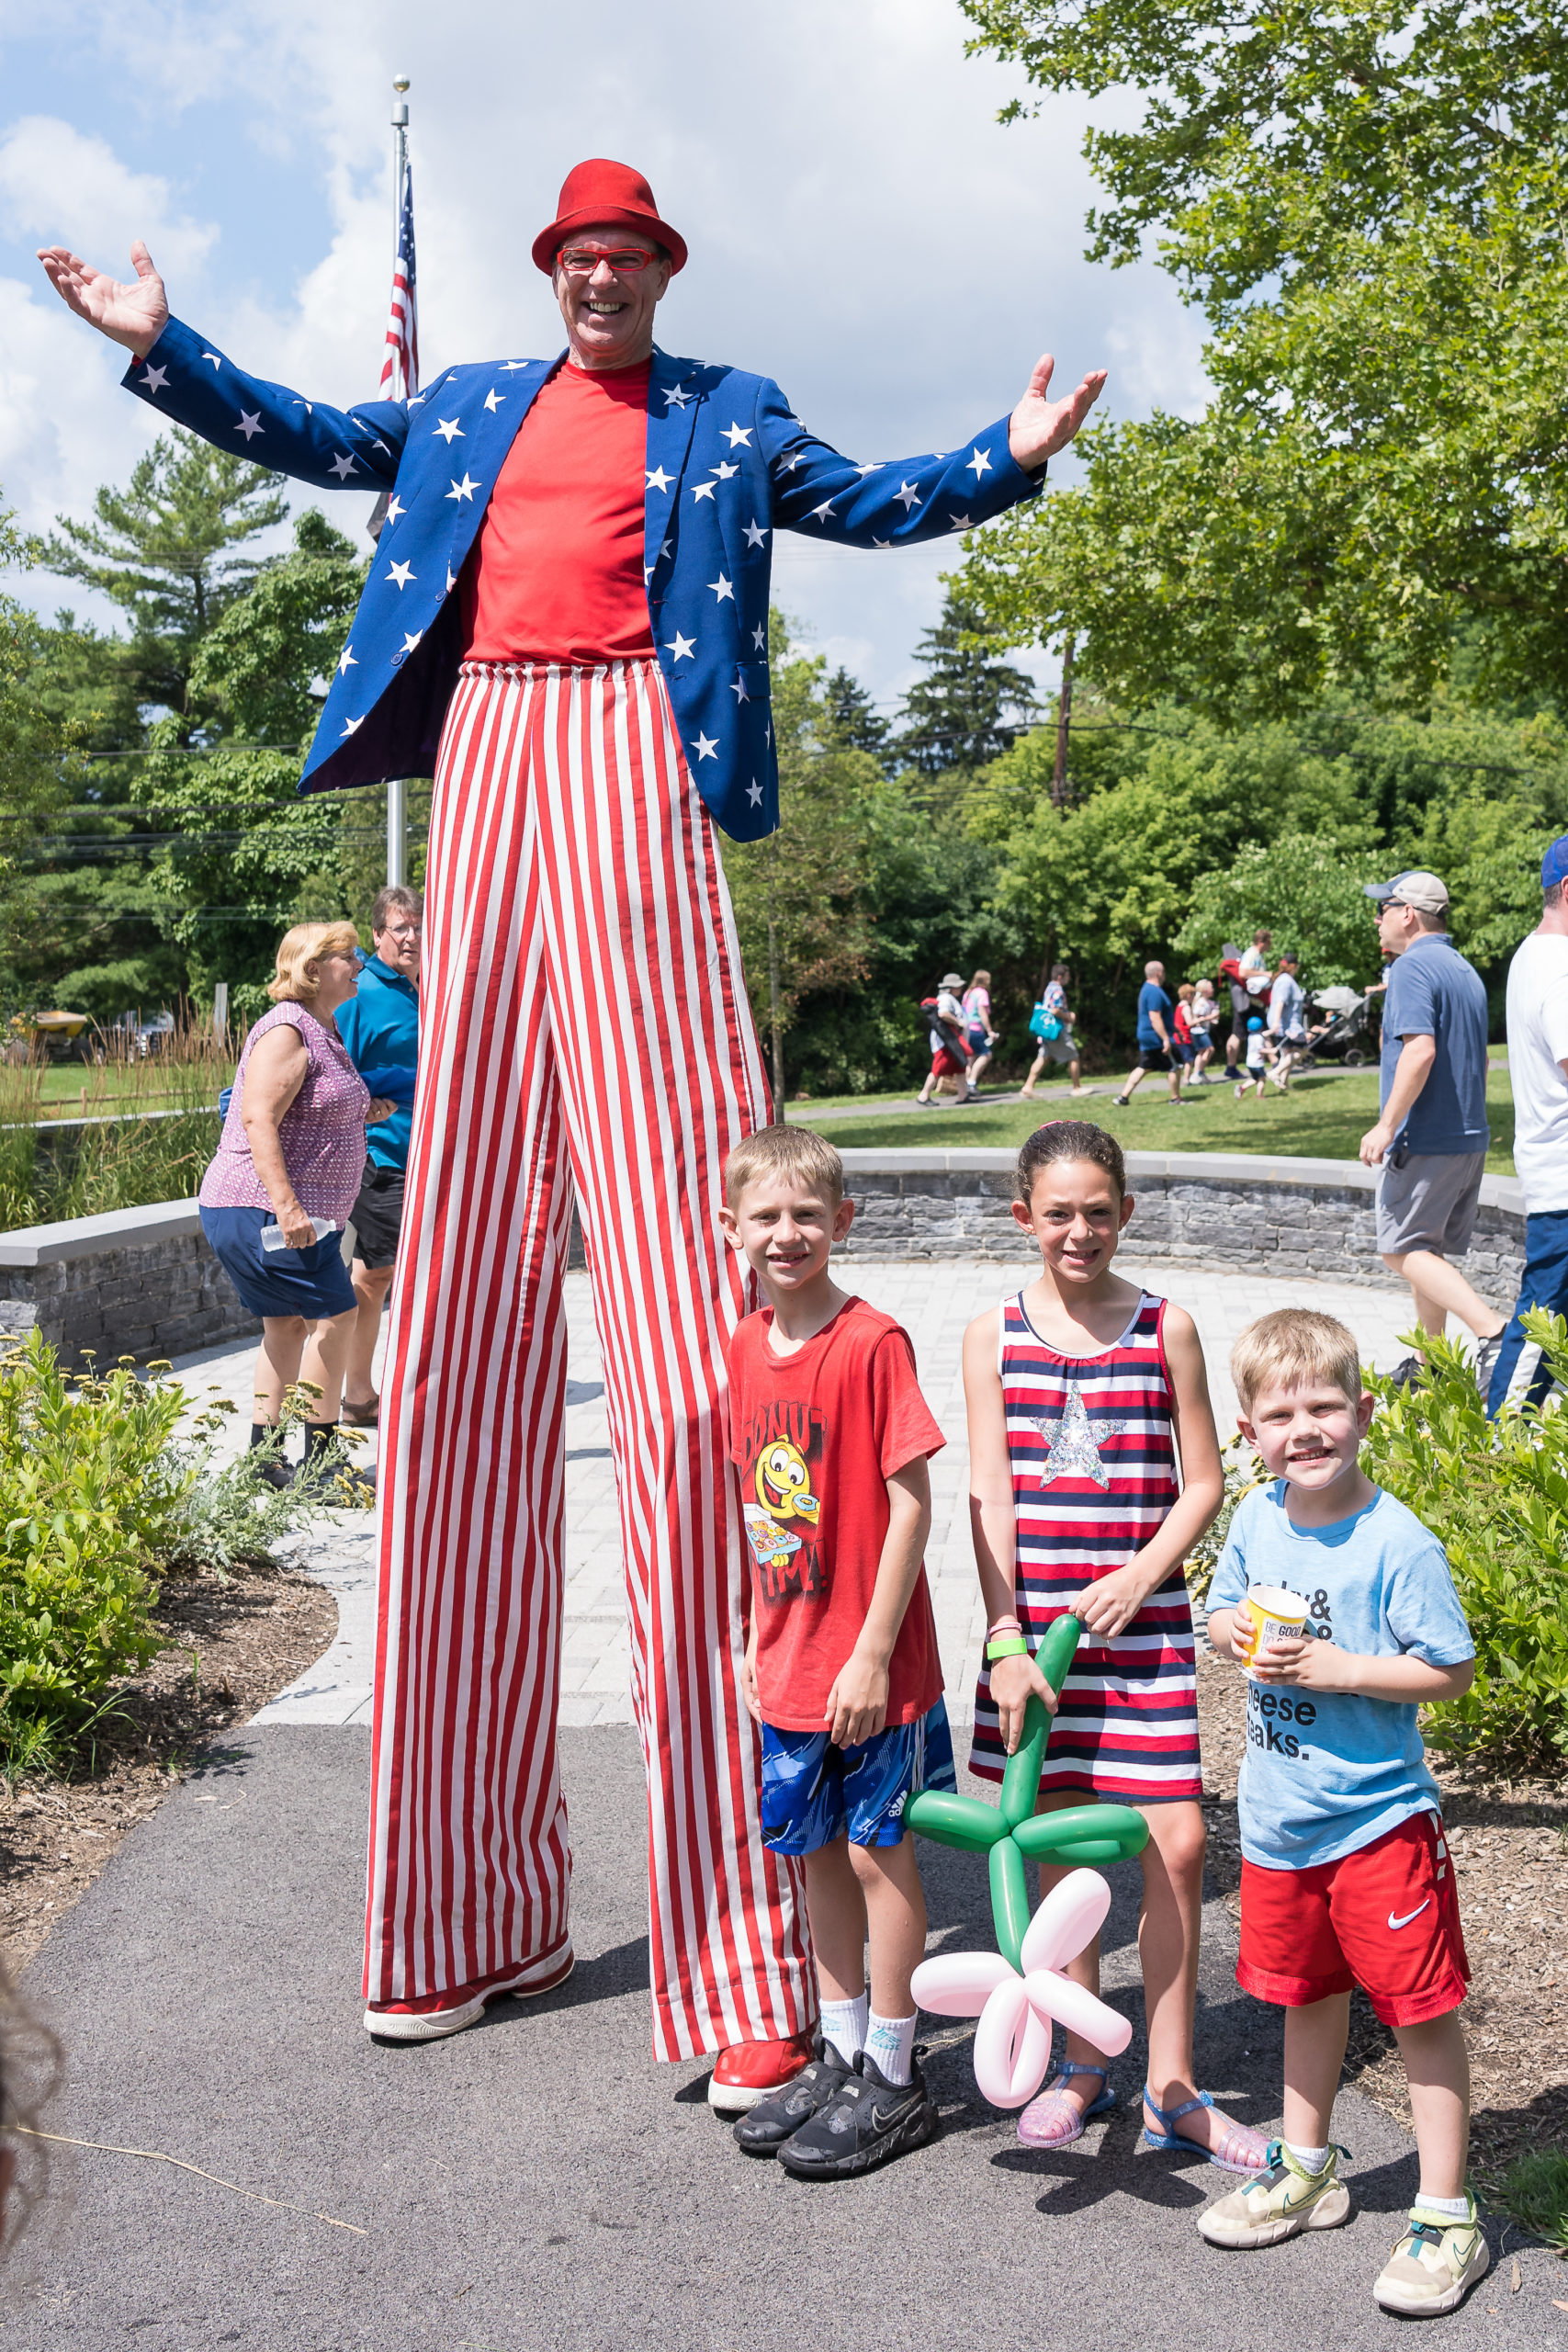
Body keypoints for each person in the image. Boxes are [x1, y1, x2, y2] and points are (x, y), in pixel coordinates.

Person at [39, 163, 1108, 2069]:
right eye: (576, 259)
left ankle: (738, 1954)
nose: (600, 278)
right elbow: (310, 431)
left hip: (635, 756)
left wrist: (1000, 459)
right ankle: (466, 1914)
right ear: (552, 277)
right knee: (452, 1324)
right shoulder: (466, 407)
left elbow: (865, 502)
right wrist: (166, 351)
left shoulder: (723, 410)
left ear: (659, 275)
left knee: (714, 1322)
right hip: (487, 769)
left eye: (626, 257)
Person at [963, 1120, 1267, 2171]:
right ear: (1024, 1217)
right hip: (1035, 1647)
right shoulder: (992, 1334)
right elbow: (990, 1494)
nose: (1079, 1230)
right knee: (1066, 1852)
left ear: (1126, 1211)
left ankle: (1172, 2085)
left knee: (1176, 1847)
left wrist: (1145, 1573)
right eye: (1059, 1213)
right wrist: (1003, 1636)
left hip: (1140, 1640)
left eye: (1099, 1210)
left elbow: (1203, 1482)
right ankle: (1083, 2062)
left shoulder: (1164, 1327)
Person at [1201, 1309, 1483, 2318]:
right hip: (1280, 1822)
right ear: (1249, 1432)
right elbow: (1224, 1607)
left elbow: (1448, 1668)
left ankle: (1448, 2211)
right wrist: (1238, 1632)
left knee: (1419, 2012)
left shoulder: (1396, 1541)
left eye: (1324, 1405)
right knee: (1302, 1990)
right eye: (1280, 1413)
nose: (1304, 1428)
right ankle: (1306, 2163)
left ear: (1365, 1412)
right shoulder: (1255, 1520)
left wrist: (1343, 1668)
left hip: (1378, 1825)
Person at [719, 1126, 950, 2171]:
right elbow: (752, 1508)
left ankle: (896, 2075)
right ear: (733, 1231)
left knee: (875, 1850)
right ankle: (842, 2045)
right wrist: (745, 1631)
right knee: (812, 1850)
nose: (786, 1232)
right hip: (788, 1658)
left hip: (874, 1668)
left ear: (841, 1223)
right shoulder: (739, 1347)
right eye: (764, 1215)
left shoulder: (872, 1343)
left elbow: (912, 1508)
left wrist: (869, 1651)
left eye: (806, 1214)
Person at [197, 923, 396, 1488]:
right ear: (314, 966)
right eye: (348, 955)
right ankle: (319, 1465)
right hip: (263, 1209)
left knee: (284, 1326)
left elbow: (311, 1106)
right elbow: (257, 1117)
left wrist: (362, 1112)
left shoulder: (322, 1028)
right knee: (337, 1316)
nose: (359, 962)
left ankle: (263, 1465)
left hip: (268, 1210)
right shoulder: (287, 1029)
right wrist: (286, 1207)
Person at [1357, 873, 1506, 1391]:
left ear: (1409, 914)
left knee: (1399, 1250)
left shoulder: (1412, 967)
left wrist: (1386, 1125)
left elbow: (1419, 1051)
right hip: (1468, 1136)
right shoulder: (1464, 969)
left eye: (1384, 908)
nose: (1378, 918)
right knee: (1425, 1249)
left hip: (1426, 1139)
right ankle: (1430, 1363)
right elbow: (1482, 1060)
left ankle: (1493, 1335)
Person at [335, 886, 423, 1427]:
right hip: (382, 1158)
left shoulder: (434, 986)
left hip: (432, 1156)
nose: (412, 937)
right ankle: (366, 1392)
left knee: (377, 1276)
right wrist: (365, 1104)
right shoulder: (359, 994)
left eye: (418, 926)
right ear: (377, 936)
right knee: (392, 1276)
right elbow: (328, 1068)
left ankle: (359, 1395)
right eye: (401, 928)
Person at [1488, 835, 1568, 1413]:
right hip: (1565, 1181)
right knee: (1542, 1324)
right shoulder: (1561, 971)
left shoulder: (1532, 954)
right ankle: (1494, 1448)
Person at [1112, 959, 1183, 1108]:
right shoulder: (1154, 991)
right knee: (1175, 1065)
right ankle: (1175, 1098)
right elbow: (1155, 1017)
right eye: (1163, 972)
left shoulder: (1147, 989)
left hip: (1147, 1035)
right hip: (1155, 1036)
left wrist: (1174, 1029)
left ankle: (1123, 1097)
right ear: (1158, 973)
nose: (1165, 975)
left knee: (1145, 1066)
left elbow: (1160, 1016)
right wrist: (1165, 1039)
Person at [1021, 963, 1083, 1097]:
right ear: (1060, 976)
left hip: (1047, 1030)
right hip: (1056, 1030)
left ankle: (1028, 1086)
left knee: (1044, 1056)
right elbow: (1055, 1010)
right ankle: (1077, 1088)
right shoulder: (1057, 990)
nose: (1069, 979)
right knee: (1073, 1056)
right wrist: (1069, 1016)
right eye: (1068, 976)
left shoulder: (1049, 987)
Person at [917, 973, 975, 1105]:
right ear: (951, 988)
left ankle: (962, 1095)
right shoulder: (946, 998)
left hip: (952, 1042)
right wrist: (958, 1022)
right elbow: (943, 1014)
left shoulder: (949, 998)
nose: (961, 988)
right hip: (946, 1043)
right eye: (958, 986)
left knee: (960, 1067)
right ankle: (923, 1096)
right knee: (938, 1069)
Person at [1226, 929, 1274, 1074]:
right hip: (1248, 1001)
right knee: (1239, 1033)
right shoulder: (1251, 954)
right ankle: (1231, 1067)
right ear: (1262, 941)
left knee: (1260, 1031)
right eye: (1269, 941)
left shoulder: (1256, 954)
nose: (1270, 944)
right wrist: (1265, 974)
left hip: (1252, 1000)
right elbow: (1243, 972)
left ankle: (1275, 1062)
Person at [1265, 949, 1310, 1092]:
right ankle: (1275, 1073)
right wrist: (1277, 1022)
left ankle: (1284, 1082)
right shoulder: (1285, 981)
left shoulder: (1284, 979)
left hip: (1287, 1022)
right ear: (1294, 966)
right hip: (1288, 1024)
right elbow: (1280, 1002)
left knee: (1288, 1052)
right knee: (1303, 1049)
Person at [961, 969, 998, 1091]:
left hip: (965, 1029)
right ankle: (971, 1082)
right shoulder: (982, 993)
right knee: (986, 1055)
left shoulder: (968, 993)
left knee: (970, 1058)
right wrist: (989, 1031)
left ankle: (965, 1086)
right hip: (975, 1029)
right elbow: (982, 1013)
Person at [1188, 977, 1220, 1082]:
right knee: (1210, 1049)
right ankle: (1199, 1072)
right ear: (1205, 990)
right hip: (1199, 1031)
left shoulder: (1206, 1002)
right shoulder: (1201, 1003)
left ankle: (1197, 1074)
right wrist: (1212, 1017)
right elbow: (1198, 1019)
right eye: (1211, 987)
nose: (1213, 989)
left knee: (1201, 1052)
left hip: (1201, 1030)